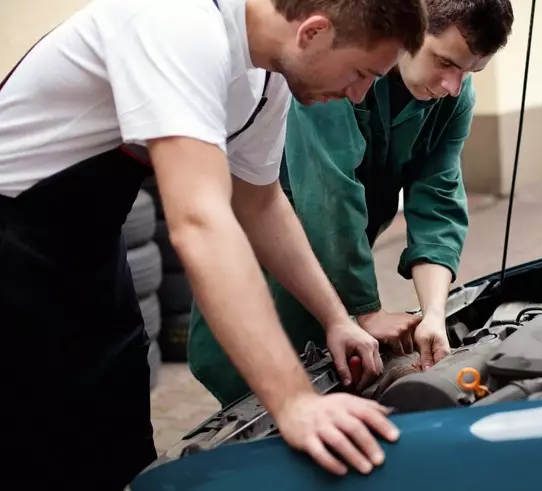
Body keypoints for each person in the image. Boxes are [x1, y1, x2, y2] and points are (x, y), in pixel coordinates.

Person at [0, 0, 427, 488]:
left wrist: (336, 319)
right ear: (313, 31)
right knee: (31, 450)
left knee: (120, 441)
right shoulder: (175, 23)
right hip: (13, 244)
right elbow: (201, 223)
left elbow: (260, 204)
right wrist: (293, 402)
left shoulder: (267, 78)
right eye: (360, 72)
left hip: (91, 246)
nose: (358, 95)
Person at [188, 0, 514, 406]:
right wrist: (368, 310)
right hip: (269, 254)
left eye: (469, 72)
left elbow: (438, 199)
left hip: (338, 265)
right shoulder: (339, 70)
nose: (453, 84)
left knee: (329, 373)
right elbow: (330, 194)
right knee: (252, 391)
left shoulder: (453, 97)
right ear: (411, 30)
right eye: (445, 62)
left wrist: (434, 313)